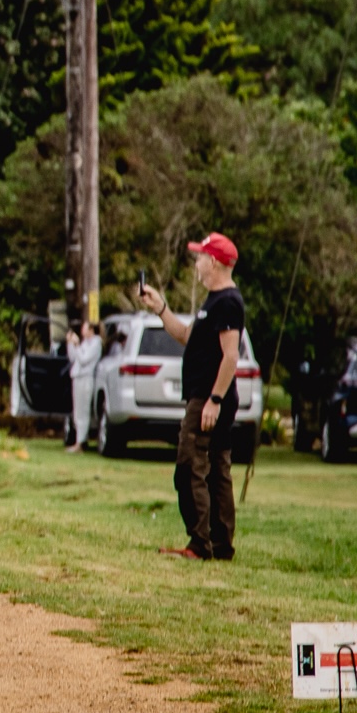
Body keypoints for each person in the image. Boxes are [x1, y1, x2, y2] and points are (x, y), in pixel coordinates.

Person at [137, 234, 244, 561]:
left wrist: (214, 399)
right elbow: (187, 336)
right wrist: (161, 309)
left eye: (200, 257)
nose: (196, 263)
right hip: (209, 397)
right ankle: (219, 545)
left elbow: (231, 356)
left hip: (208, 398)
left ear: (213, 262)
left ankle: (200, 544)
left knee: (190, 466)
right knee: (215, 470)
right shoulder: (214, 301)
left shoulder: (226, 301)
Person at [68, 319, 103, 451]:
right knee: (77, 411)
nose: (82, 330)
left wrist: (77, 345)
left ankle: (81, 442)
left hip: (86, 379)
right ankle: (78, 439)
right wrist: (71, 344)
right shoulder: (85, 343)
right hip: (77, 377)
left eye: (85, 328)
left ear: (91, 330)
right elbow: (74, 358)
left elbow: (83, 360)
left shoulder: (96, 344)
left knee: (83, 411)